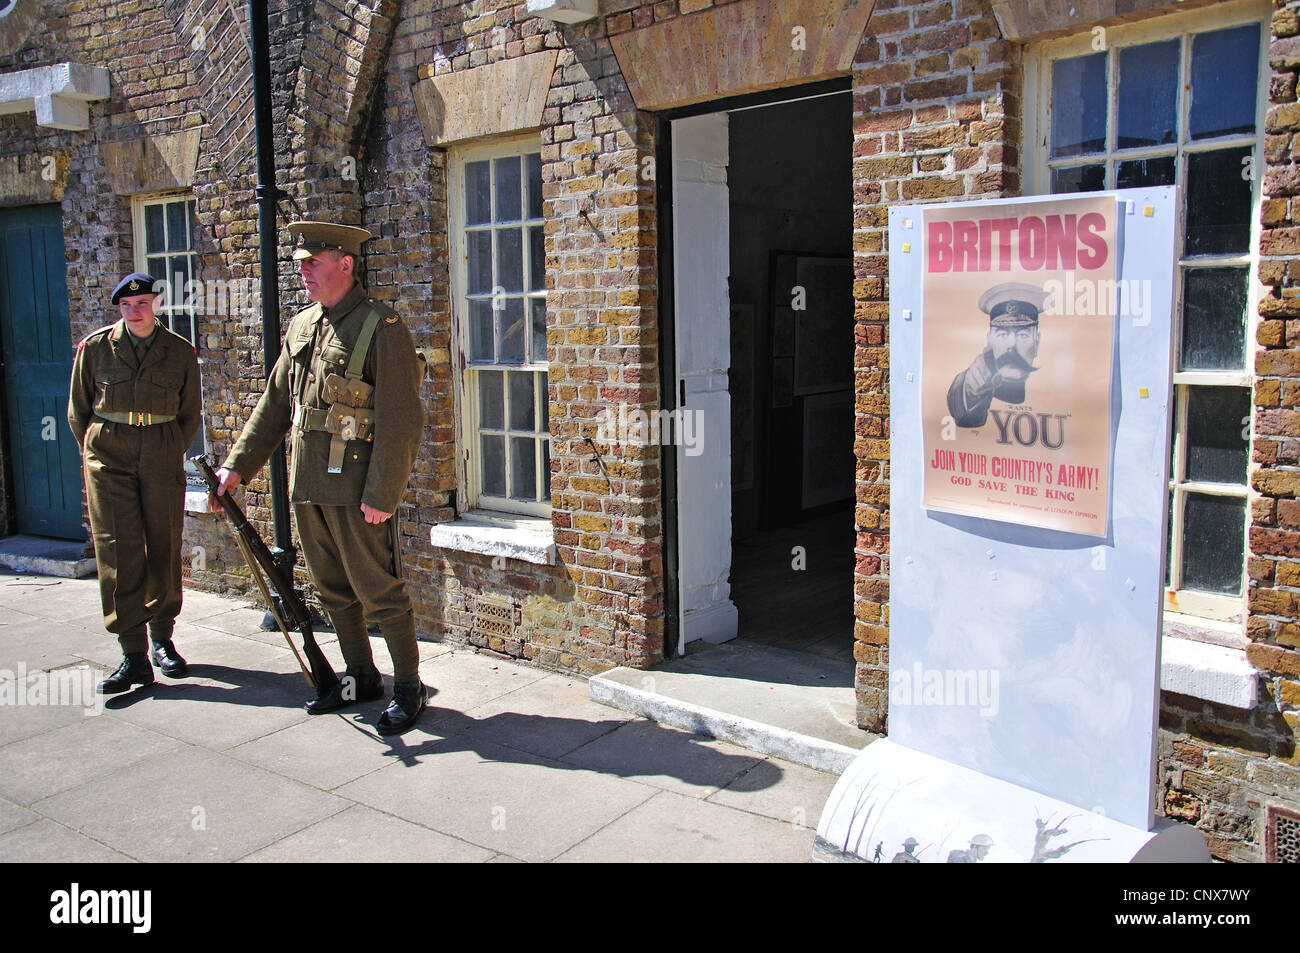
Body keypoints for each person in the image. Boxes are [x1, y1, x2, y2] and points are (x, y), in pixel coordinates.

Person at [210, 220, 427, 734]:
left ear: (345, 264)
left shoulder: (383, 327)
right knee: (333, 589)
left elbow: (401, 420)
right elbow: (274, 406)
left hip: (356, 490)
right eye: (300, 262)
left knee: (380, 589)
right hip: (308, 484)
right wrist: (236, 467)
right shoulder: (304, 326)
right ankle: (359, 678)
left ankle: (409, 687)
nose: (302, 270)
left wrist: (382, 492)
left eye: (313, 262)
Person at [68, 272, 201, 693]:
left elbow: (189, 414)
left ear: (156, 304)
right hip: (109, 453)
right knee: (118, 548)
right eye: (126, 305)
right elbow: (78, 410)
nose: (134, 311)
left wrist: (165, 448)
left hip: (161, 448)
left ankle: (163, 639)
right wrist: (97, 448)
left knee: (163, 542)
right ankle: (133, 653)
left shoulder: (179, 351)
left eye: (142, 303)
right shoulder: (95, 348)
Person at [946, 282, 1051, 428]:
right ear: (989, 341)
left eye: (1022, 335)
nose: (1011, 346)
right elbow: (963, 409)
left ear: (1037, 343)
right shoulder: (979, 377)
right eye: (1002, 335)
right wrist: (970, 390)